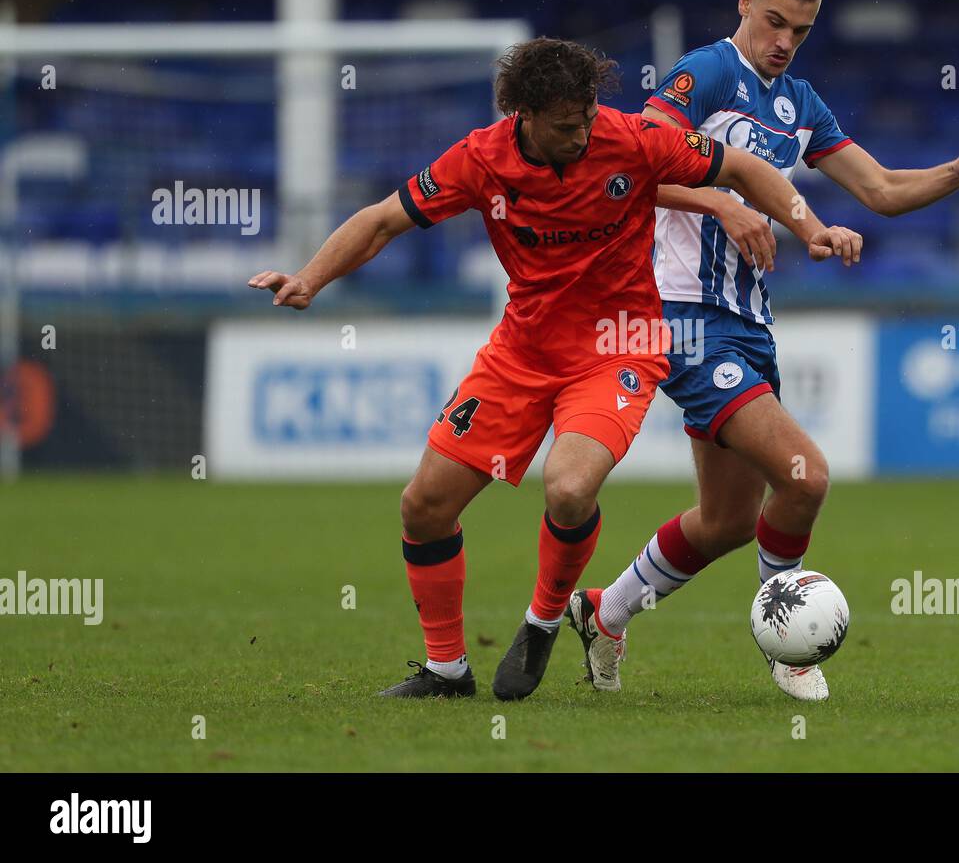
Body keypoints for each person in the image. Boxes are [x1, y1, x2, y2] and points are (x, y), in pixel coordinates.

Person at [247, 37, 861, 701]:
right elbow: (382, 221)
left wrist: (809, 227)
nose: (585, 134)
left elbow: (740, 166)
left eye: (590, 116)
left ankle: (543, 620)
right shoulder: (480, 159)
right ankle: (446, 669)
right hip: (522, 352)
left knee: (568, 489)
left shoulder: (628, 139)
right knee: (423, 506)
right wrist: (311, 278)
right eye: (569, 126)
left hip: (618, 347)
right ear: (526, 116)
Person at [568, 0, 959, 701]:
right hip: (682, 318)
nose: (783, 40)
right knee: (805, 477)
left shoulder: (801, 103)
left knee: (726, 522)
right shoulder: (705, 73)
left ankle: (603, 614)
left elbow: (878, 188)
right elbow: (631, 164)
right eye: (773, 21)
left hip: (748, 327)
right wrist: (722, 201)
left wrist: (949, 174)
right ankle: (788, 642)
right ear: (745, 1)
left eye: (799, 30)